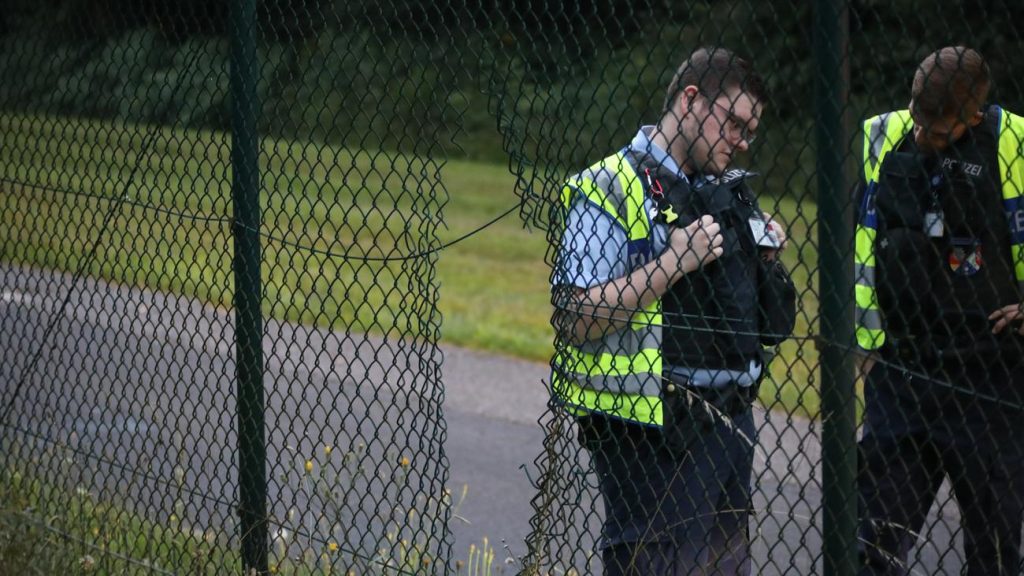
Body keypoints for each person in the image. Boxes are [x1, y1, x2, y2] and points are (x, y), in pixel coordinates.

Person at [549, 46, 796, 575]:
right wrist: (672, 263)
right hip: (650, 431)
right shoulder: (607, 185)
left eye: (750, 131)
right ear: (690, 101)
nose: (742, 141)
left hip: (732, 421)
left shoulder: (727, 192)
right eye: (733, 123)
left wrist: (764, 261)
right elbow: (575, 316)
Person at [854, 46, 1024, 575]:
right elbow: (863, 242)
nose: (922, 136)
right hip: (903, 370)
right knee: (872, 547)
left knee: (992, 552)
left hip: (990, 377)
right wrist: (866, 343)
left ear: (973, 117)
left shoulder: (1015, 142)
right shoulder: (881, 133)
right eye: (917, 119)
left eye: (939, 130)